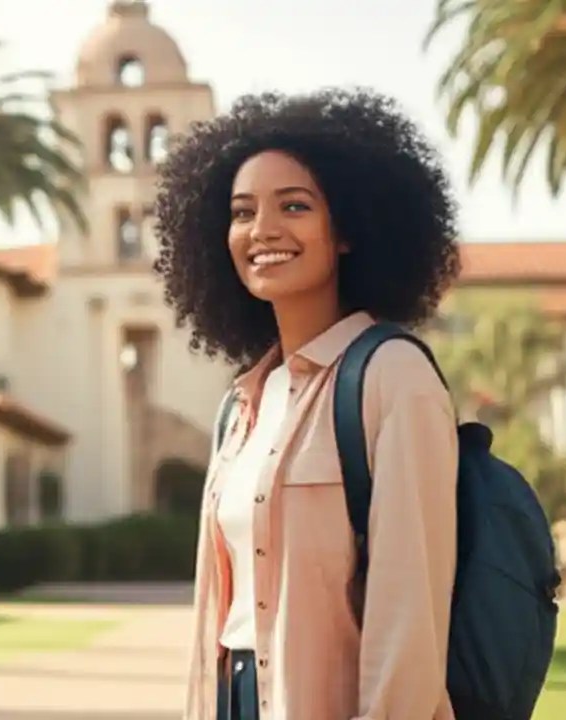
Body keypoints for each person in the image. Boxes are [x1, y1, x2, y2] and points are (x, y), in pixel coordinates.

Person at [152, 87, 462, 720]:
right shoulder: (240, 405)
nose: (262, 230)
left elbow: (409, 619)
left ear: (345, 228)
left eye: (293, 205)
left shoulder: (392, 377)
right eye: (242, 212)